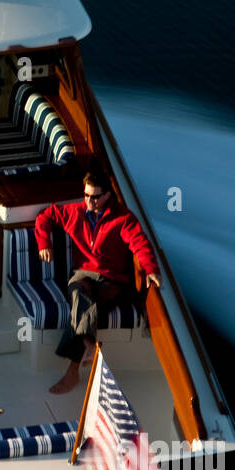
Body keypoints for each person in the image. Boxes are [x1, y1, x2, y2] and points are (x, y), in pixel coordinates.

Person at [35, 169, 161, 394]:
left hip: (112, 280)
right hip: (83, 274)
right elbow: (45, 217)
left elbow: (140, 243)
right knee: (79, 294)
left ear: (107, 195)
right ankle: (89, 346)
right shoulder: (74, 212)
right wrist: (44, 242)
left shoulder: (123, 219)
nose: (88, 201)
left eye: (94, 196)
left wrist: (150, 269)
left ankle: (74, 370)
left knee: (84, 306)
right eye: (86, 195)